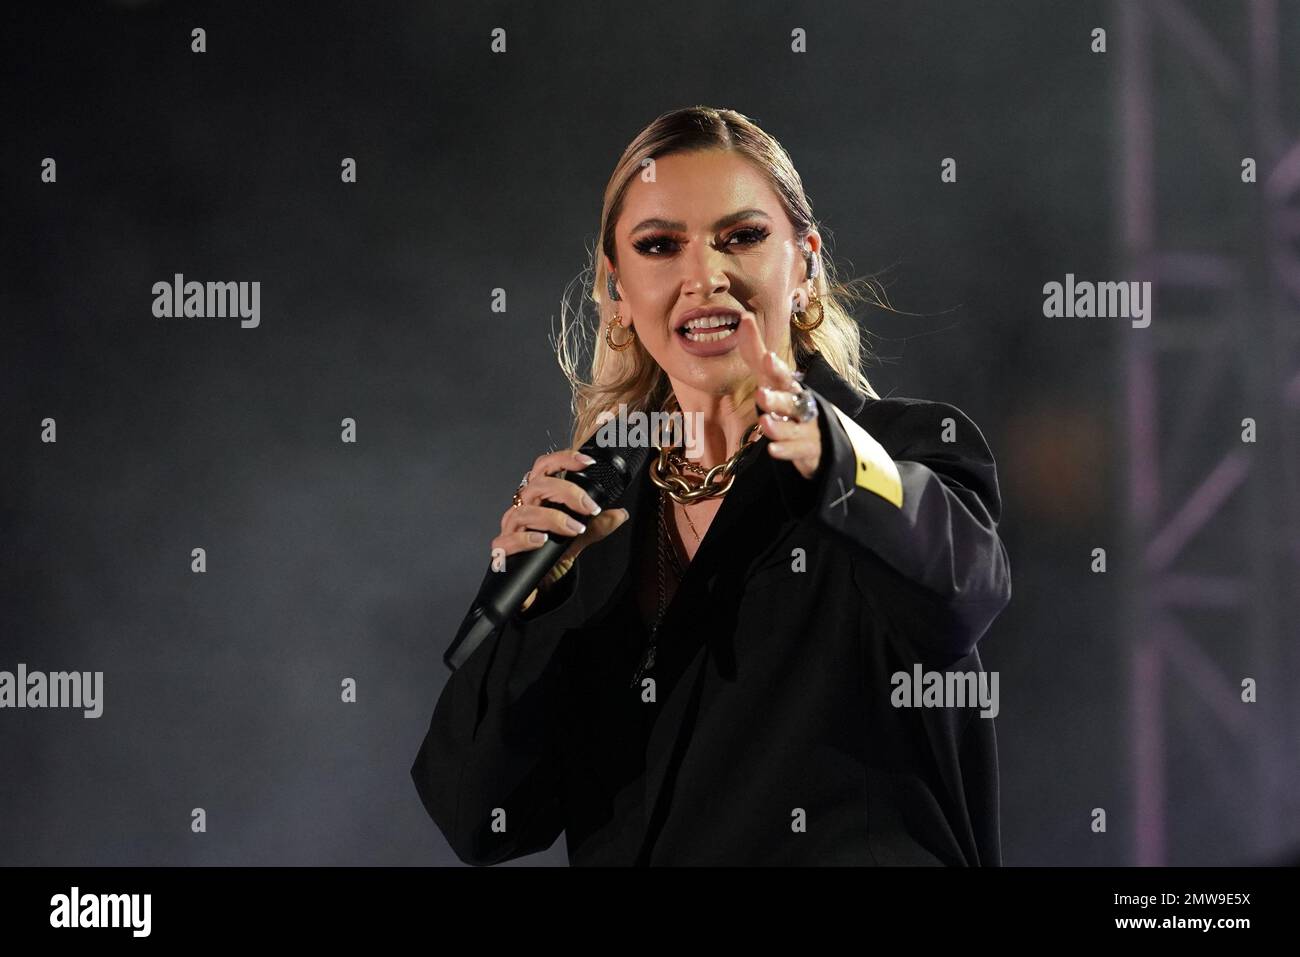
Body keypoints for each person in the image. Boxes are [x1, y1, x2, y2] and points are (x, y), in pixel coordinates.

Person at [411, 106, 1012, 866]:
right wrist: (535, 612)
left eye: (742, 237)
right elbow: (478, 816)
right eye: (661, 246)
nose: (705, 277)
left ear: (806, 264)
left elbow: (965, 586)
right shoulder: (591, 513)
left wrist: (832, 454)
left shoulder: (897, 451)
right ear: (618, 293)